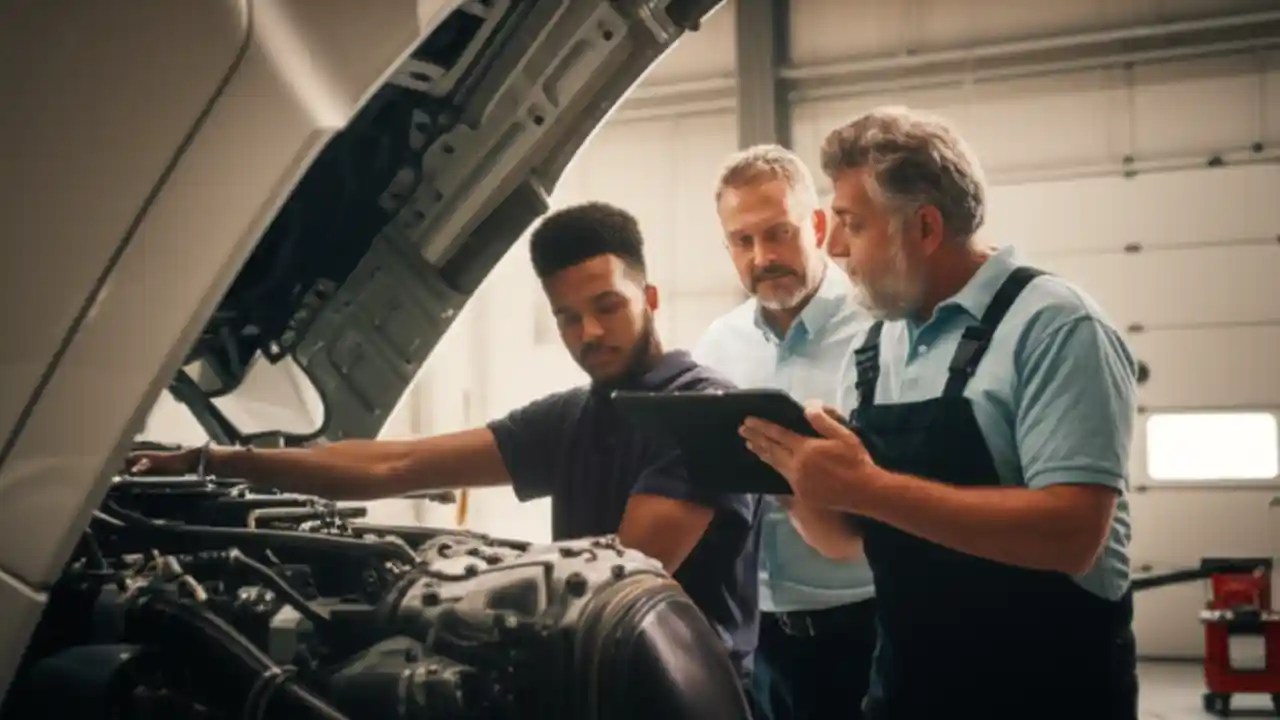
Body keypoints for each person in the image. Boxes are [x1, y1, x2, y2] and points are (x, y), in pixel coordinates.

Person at [127, 201, 763, 680]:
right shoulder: (574, 417)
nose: (589, 332)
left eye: (608, 306)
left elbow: (618, 578)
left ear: (649, 298)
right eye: (568, 317)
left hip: (682, 697)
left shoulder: (703, 410)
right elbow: (396, 462)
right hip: (590, 689)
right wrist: (214, 460)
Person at [738, 107, 1140, 719]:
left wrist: (869, 486)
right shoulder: (875, 349)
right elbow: (850, 541)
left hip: (1049, 694)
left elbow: (1072, 532)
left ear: (924, 227)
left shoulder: (1056, 325)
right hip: (908, 692)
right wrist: (802, 479)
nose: (835, 247)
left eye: (851, 223)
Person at [692, 144, 878, 720]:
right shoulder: (716, 347)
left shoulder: (882, 333)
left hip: (870, 627)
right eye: (742, 241)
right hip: (756, 636)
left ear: (818, 225)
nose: (762, 256)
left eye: (778, 233)